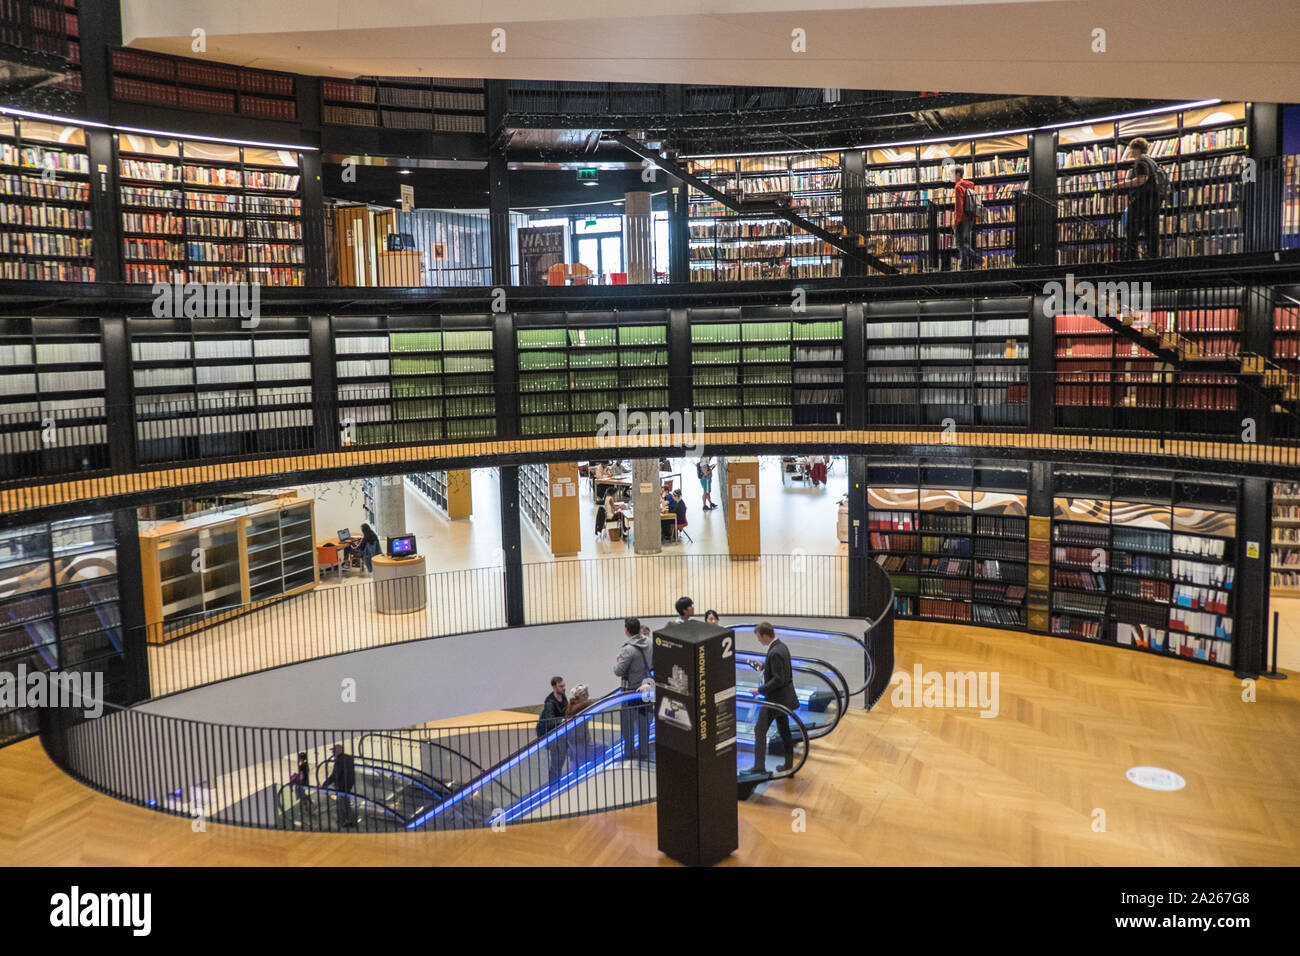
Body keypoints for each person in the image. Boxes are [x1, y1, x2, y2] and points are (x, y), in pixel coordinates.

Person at [746, 622, 798, 775]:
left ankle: (759, 767)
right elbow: (780, 672)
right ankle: (789, 764)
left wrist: (759, 690)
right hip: (785, 698)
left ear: (764, 635)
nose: (759, 641)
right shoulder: (782, 647)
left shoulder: (774, 652)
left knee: (759, 730)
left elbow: (778, 679)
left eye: (759, 637)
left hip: (775, 700)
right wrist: (764, 667)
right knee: (784, 730)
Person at [614, 617, 653, 760]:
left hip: (630, 691)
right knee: (644, 722)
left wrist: (617, 661)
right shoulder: (649, 643)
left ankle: (629, 752)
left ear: (627, 630)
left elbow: (618, 671)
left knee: (627, 724)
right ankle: (644, 751)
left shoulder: (628, 649)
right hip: (646, 686)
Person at [1120, 137, 1162, 260]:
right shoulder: (1151, 162)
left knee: (1132, 229)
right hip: (1153, 201)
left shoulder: (1141, 162)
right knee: (1151, 230)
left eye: (1131, 149)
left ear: (1137, 149)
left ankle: (1132, 257)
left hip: (1141, 201)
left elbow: (1141, 180)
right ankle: (1152, 256)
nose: (1130, 152)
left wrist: (1122, 185)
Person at [537, 676, 570, 782]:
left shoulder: (563, 698)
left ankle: (556, 781)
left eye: (564, 685)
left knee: (560, 760)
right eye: (561, 686)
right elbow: (550, 721)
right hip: (551, 736)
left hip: (560, 735)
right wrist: (561, 721)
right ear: (554, 687)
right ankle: (554, 784)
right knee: (556, 761)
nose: (564, 688)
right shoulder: (549, 703)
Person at [952, 165, 982, 271]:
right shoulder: (969, 186)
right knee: (966, 243)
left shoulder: (958, 187)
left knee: (960, 245)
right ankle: (964, 266)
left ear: (958, 174)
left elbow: (959, 206)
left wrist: (956, 221)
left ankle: (977, 258)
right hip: (969, 219)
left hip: (961, 219)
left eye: (953, 174)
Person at [322, 743, 357, 827]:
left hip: (341, 786)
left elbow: (335, 775)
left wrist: (324, 784)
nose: (333, 753)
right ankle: (350, 821)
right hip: (348, 785)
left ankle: (344, 822)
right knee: (346, 803)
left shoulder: (339, 761)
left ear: (338, 751)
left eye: (334, 751)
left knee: (341, 804)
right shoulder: (348, 758)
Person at [565, 683, 594, 765]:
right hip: (577, 741)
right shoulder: (576, 707)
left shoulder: (580, 706)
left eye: (587, 694)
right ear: (578, 696)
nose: (587, 697)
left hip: (581, 740)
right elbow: (577, 709)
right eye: (584, 695)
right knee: (580, 762)